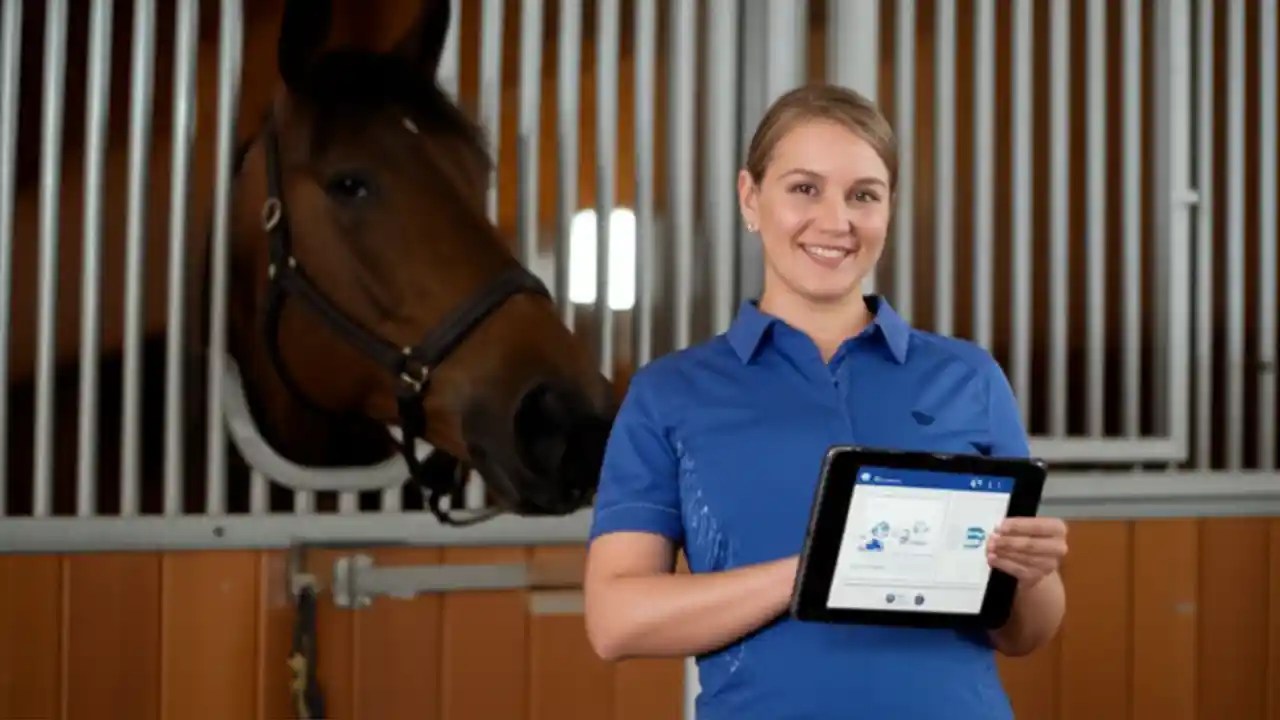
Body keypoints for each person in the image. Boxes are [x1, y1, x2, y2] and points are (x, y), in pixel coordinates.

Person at [582, 83, 1068, 719]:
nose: (836, 222)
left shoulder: (968, 377)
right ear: (750, 198)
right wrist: (823, 567)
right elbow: (616, 620)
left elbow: (1027, 634)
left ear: (888, 211)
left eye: (864, 195)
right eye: (805, 188)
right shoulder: (670, 393)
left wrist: (1030, 574)